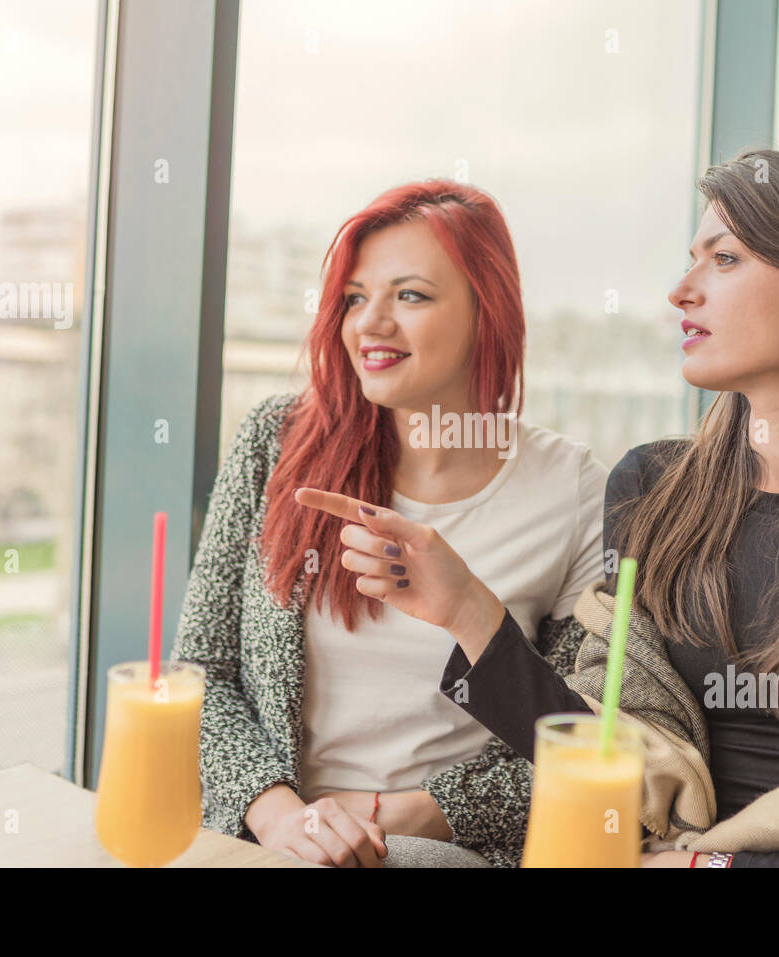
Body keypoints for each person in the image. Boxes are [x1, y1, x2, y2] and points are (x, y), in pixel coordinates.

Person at [302, 150, 779, 867]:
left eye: (724, 259)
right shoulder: (654, 489)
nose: (682, 289)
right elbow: (606, 766)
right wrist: (466, 607)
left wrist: (717, 864)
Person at [173, 180, 607, 868]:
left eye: (409, 295)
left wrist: (408, 812)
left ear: (486, 311)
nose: (368, 323)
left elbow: (586, 742)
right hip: (271, 838)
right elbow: (199, 676)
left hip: (443, 851)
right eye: (354, 297)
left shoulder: (573, 490)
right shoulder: (274, 443)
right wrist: (287, 817)